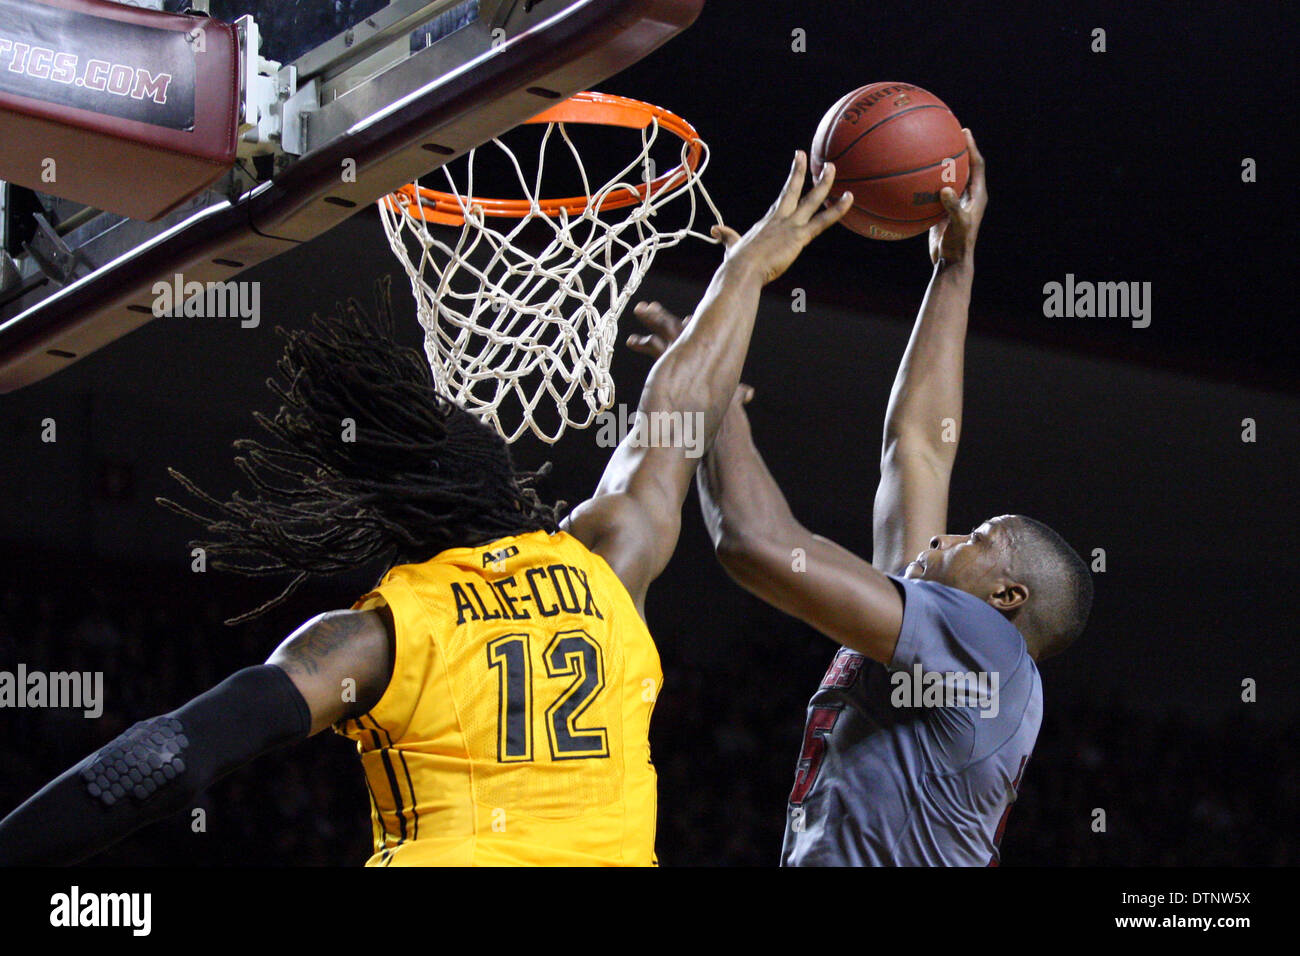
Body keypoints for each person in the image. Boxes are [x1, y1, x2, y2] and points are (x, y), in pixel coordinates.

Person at [0, 152, 851, 867]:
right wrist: (750, 268)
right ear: (502, 486)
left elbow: (178, 754)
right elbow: (679, 409)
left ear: (400, 518)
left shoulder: (380, 632)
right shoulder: (607, 562)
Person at [629, 131, 1093, 866]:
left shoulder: (985, 650)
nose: (945, 538)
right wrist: (954, 266)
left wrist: (713, 382)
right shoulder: (964, 652)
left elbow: (756, 543)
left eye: (975, 536)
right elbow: (919, 446)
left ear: (1007, 595)